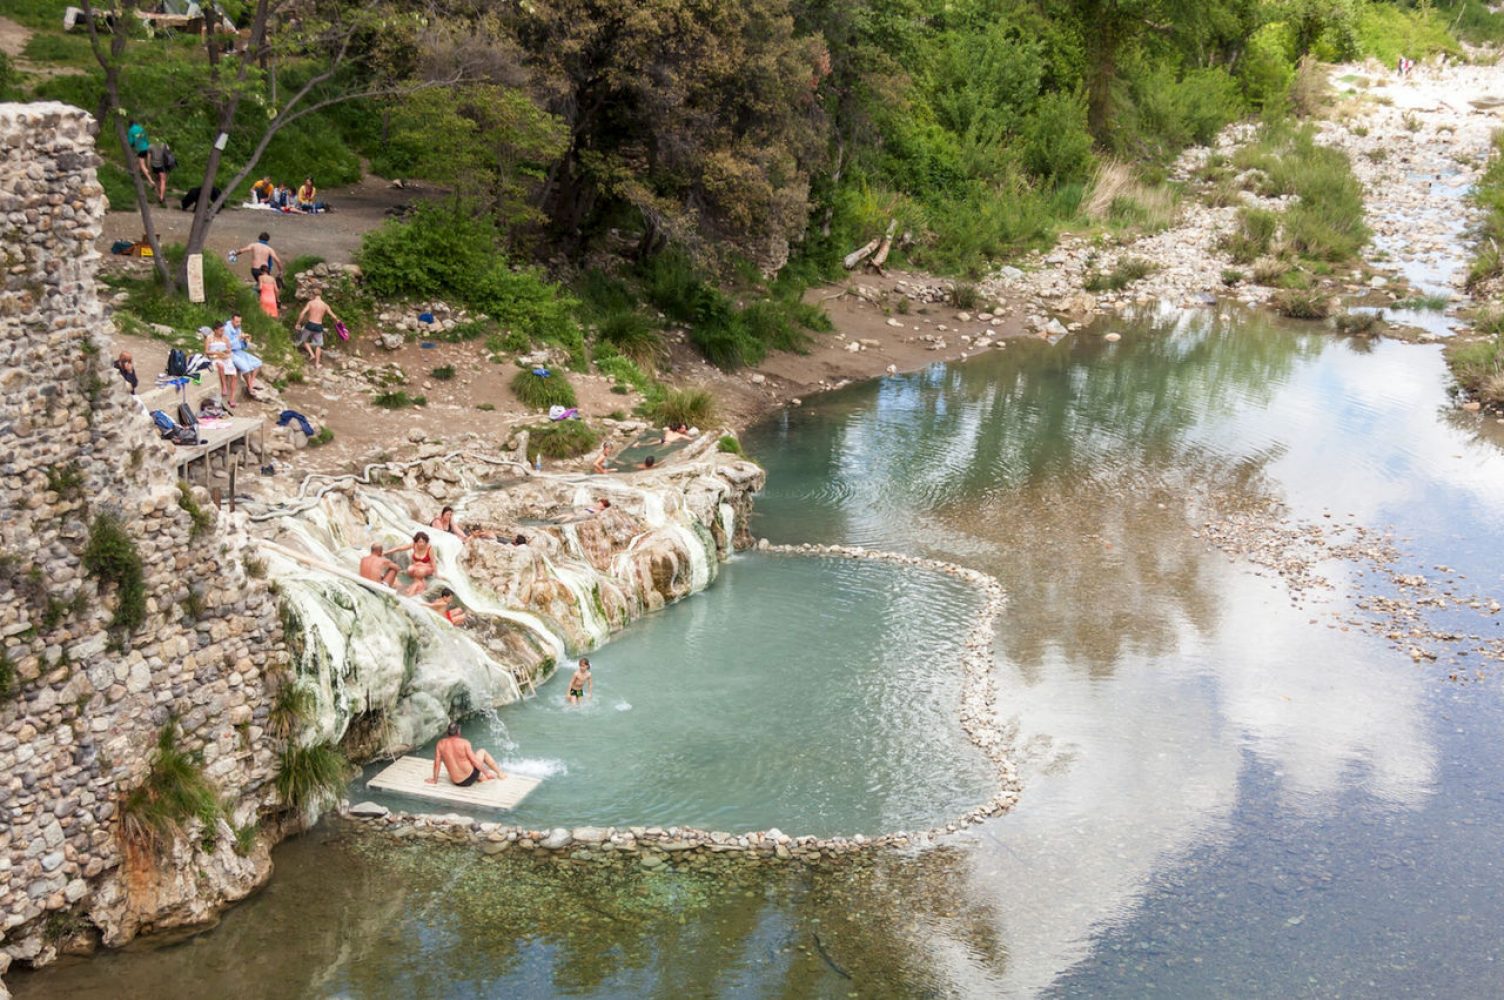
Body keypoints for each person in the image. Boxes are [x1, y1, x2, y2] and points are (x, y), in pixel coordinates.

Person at [425, 722, 507, 786]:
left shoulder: (440, 744)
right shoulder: (464, 743)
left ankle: (481, 777)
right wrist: (487, 773)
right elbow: (474, 761)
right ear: (458, 732)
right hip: (470, 778)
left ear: (448, 732)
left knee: (465, 761)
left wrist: (434, 780)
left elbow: (437, 763)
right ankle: (500, 773)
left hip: (457, 782)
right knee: (482, 752)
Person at [293, 289, 341, 370]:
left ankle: (312, 354)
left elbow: (302, 313)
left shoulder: (310, 303)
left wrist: (298, 323)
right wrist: (338, 322)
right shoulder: (325, 305)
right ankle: (317, 364)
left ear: (313, 294)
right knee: (319, 345)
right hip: (319, 326)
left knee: (303, 340)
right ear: (320, 295)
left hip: (310, 324)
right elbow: (333, 316)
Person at [225, 313, 262, 400]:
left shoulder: (238, 328)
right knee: (246, 368)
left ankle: (251, 382)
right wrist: (238, 338)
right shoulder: (226, 330)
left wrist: (245, 340)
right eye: (237, 322)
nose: (239, 324)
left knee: (258, 363)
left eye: (240, 322)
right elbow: (227, 345)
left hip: (239, 351)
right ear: (232, 320)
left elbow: (242, 346)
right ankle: (250, 388)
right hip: (230, 353)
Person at [387, 531, 437, 596]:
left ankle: (419, 585)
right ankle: (416, 583)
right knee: (409, 569)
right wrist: (386, 552)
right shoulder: (414, 545)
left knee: (420, 572)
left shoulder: (429, 548)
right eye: (420, 542)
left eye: (423, 542)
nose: (422, 543)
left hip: (427, 567)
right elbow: (400, 548)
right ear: (416, 542)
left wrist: (436, 573)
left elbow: (433, 561)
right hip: (416, 566)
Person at [204, 321, 237, 409]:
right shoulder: (209, 338)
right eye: (220, 331)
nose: (222, 332)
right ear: (215, 330)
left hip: (224, 357)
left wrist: (226, 352)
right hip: (215, 357)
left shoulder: (225, 338)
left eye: (223, 330)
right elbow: (206, 351)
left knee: (234, 374)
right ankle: (224, 386)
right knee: (220, 365)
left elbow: (229, 349)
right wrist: (216, 352)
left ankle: (232, 398)